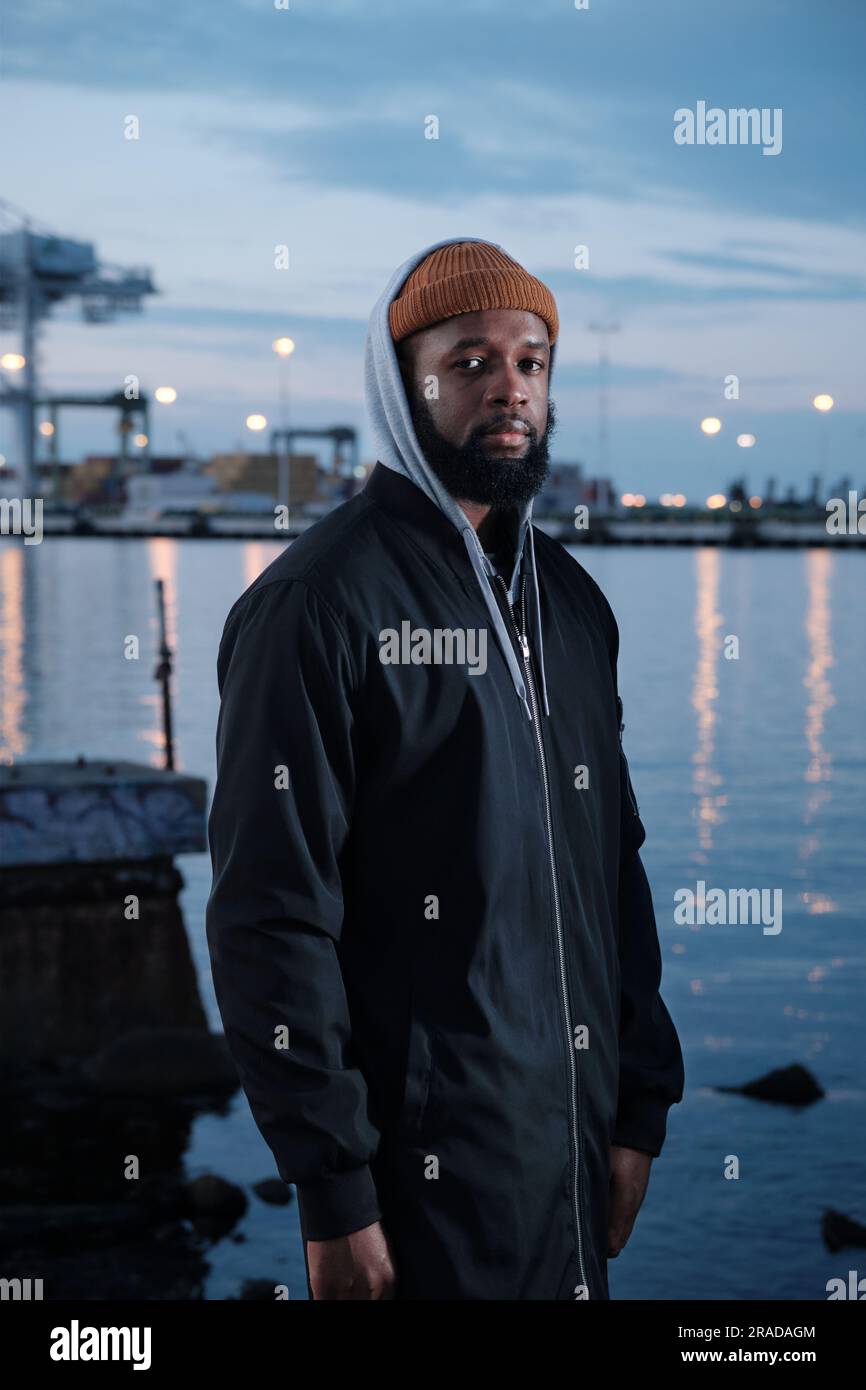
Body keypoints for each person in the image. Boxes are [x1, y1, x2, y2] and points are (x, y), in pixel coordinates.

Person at [205, 238, 685, 1301]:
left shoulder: (568, 604)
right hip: (414, 1181)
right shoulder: (318, 607)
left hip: (564, 1153)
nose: (508, 387)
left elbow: (615, 867)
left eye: (531, 360)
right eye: (469, 361)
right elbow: (268, 912)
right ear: (401, 382)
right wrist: (333, 1189)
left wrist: (637, 1105)